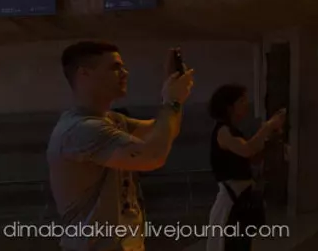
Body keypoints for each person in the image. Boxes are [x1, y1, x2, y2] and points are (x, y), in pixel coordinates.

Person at [48, 41, 194, 250]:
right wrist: (172, 102)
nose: (125, 73)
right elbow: (153, 156)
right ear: (84, 74)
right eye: (115, 68)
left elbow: (161, 130)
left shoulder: (111, 120)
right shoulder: (80, 130)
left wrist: (173, 93)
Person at [206, 85, 286, 251]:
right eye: (241, 101)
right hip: (230, 202)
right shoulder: (223, 131)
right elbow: (247, 149)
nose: (246, 104)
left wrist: (271, 140)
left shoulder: (234, 131)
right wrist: (268, 126)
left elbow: (253, 157)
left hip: (241, 199)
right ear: (229, 107)